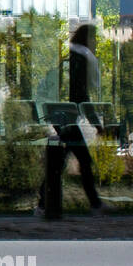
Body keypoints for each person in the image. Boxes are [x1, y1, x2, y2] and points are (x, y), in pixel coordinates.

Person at [38, 22, 104, 216]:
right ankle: (95, 204)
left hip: (58, 113)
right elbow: (82, 95)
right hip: (66, 116)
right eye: (94, 39)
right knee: (82, 159)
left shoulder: (69, 57)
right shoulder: (81, 59)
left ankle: (43, 203)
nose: (96, 43)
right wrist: (97, 124)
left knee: (60, 161)